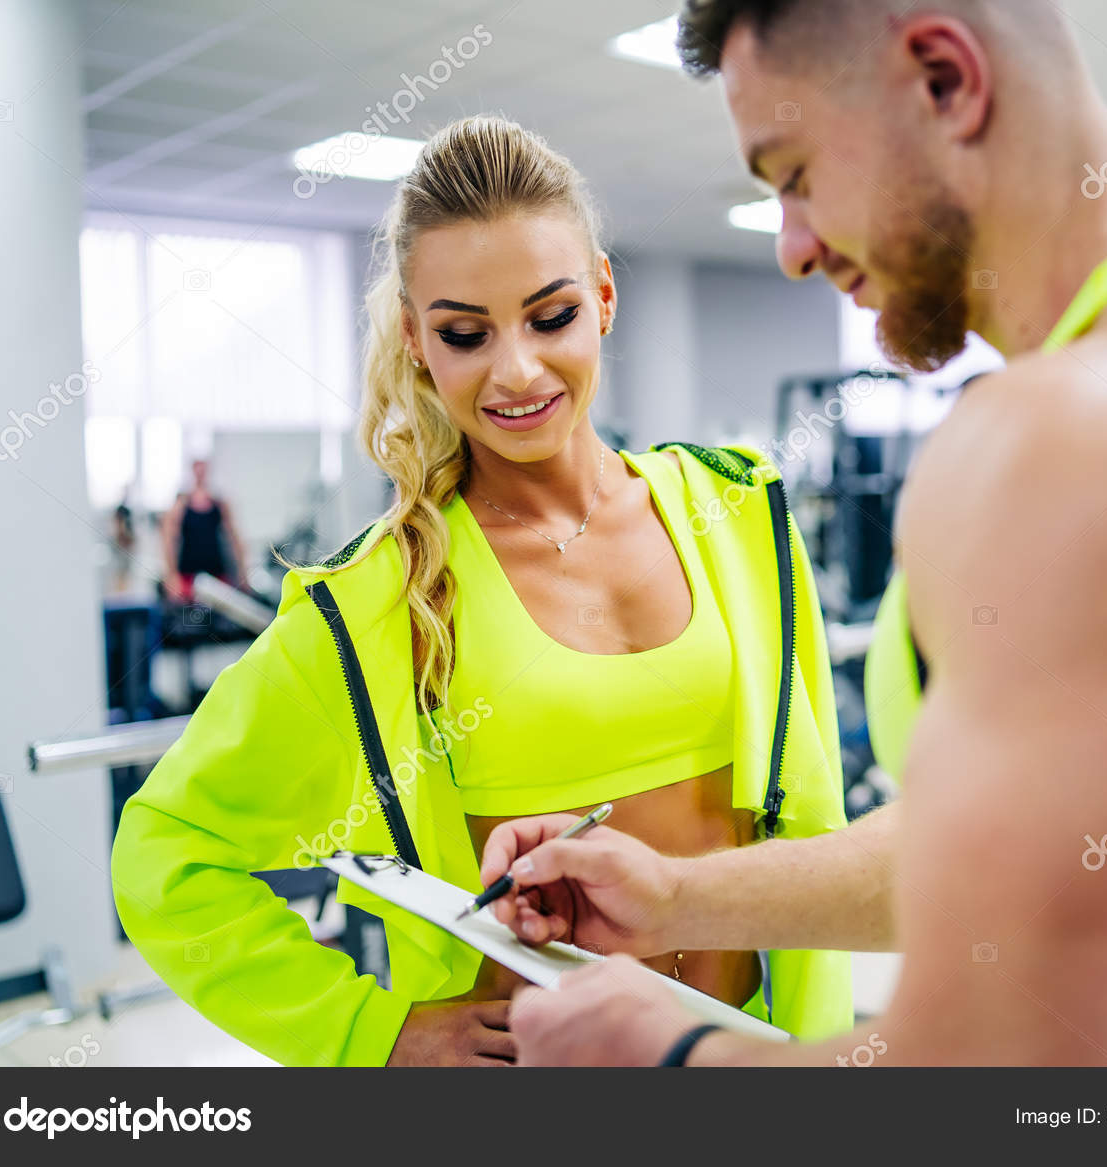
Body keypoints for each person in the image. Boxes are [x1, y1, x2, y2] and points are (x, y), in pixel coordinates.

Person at [487, 0, 1107, 1067]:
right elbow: (1043, 848)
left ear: (945, 81)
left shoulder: (1102, 436)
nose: (794, 249)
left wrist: (670, 1058)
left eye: (796, 175)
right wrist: (679, 897)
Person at [110, 114, 852, 1067]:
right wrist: (373, 1034)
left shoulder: (740, 512)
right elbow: (166, 851)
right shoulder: (382, 598)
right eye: (466, 334)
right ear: (417, 340)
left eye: (552, 317)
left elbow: (813, 812)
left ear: (604, 297)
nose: (517, 371)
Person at [160, 459, 249, 602]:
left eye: (203, 469)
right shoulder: (181, 505)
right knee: (190, 613)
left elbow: (235, 539)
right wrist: (171, 575)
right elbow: (169, 541)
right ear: (192, 471)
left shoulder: (219, 504)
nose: (200, 473)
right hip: (188, 574)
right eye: (197, 469)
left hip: (216, 573)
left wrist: (242, 573)